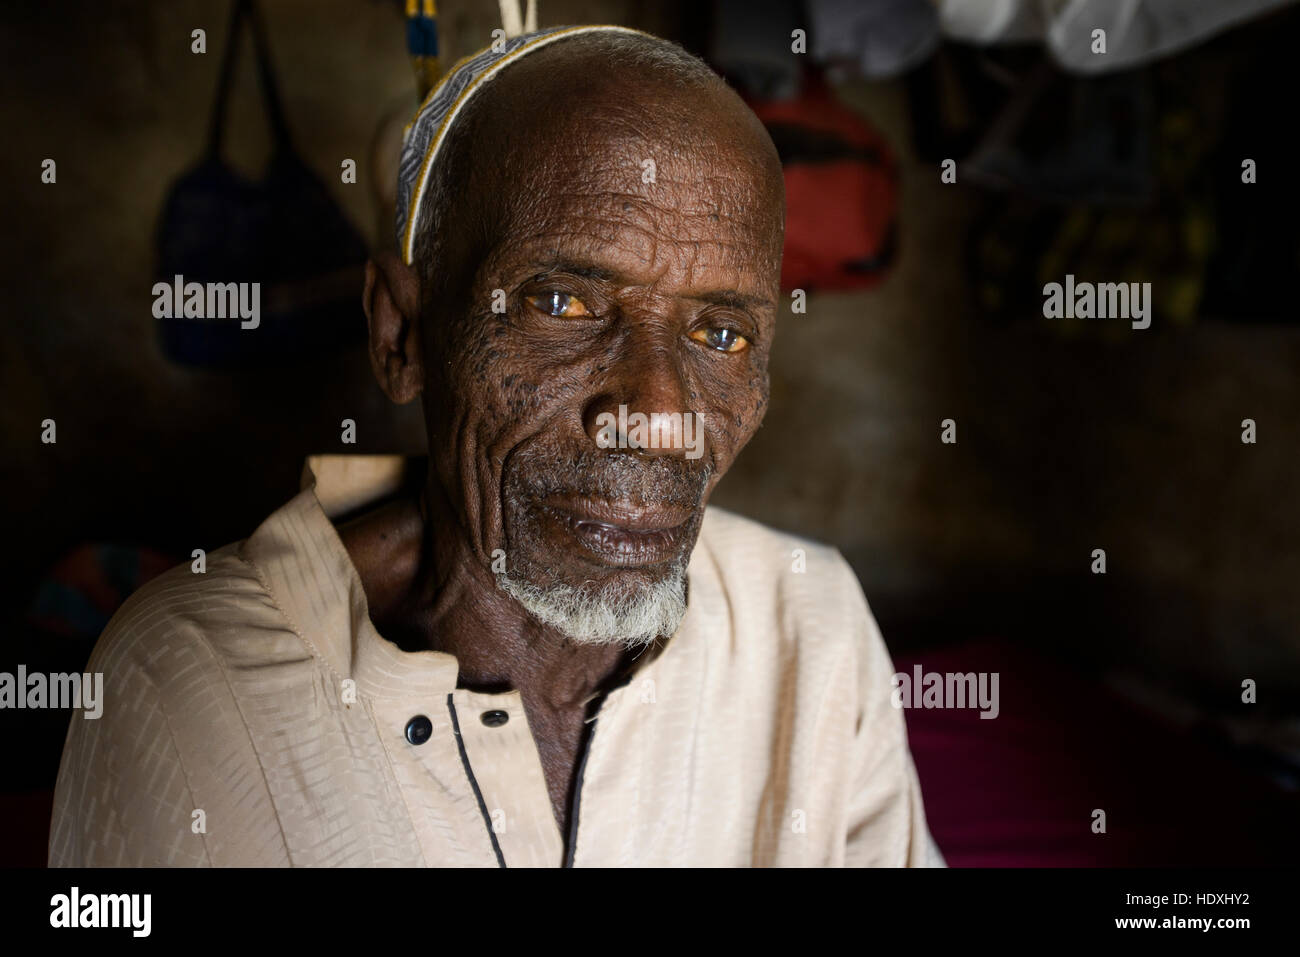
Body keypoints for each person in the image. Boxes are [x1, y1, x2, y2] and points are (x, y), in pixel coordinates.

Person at [50, 25, 942, 867]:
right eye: (564, 304)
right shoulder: (190, 690)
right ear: (403, 334)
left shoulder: (810, 625)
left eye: (723, 334)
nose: (660, 412)